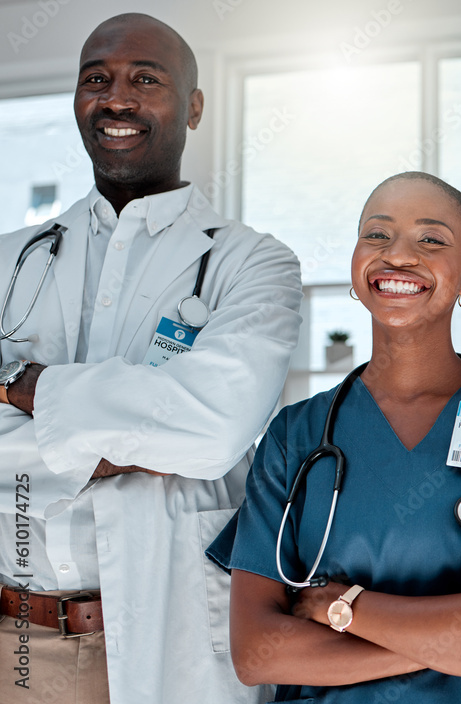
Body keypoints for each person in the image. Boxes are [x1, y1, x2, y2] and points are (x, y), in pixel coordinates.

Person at [0, 13, 301, 704]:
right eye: (96, 80)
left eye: (146, 79)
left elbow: (213, 431)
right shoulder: (8, 260)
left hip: (173, 635)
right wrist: (132, 438)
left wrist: (24, 392)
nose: (117, 98)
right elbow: (182, 435)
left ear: (193, 107)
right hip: (20, 639)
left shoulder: (253, 264)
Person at [206, 171, 461, 703]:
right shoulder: (296, 435)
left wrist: (342, 608)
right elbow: (257, 654)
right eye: (377, 235)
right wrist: (458, 623)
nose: (399, 255)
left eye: (430, 240)